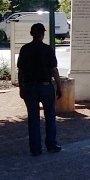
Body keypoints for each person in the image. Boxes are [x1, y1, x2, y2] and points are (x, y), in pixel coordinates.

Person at [17, 22, 63, 156]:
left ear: (31, 34)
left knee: (33, 118)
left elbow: (21, 71)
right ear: (43, 34)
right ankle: (51, 144)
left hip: (30, 86)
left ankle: (35, 149)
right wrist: (59, 86)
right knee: (50, 116)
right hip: (45, 85)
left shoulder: (25, 49)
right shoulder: (47, 49)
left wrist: (21, 87)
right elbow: (54, 70)